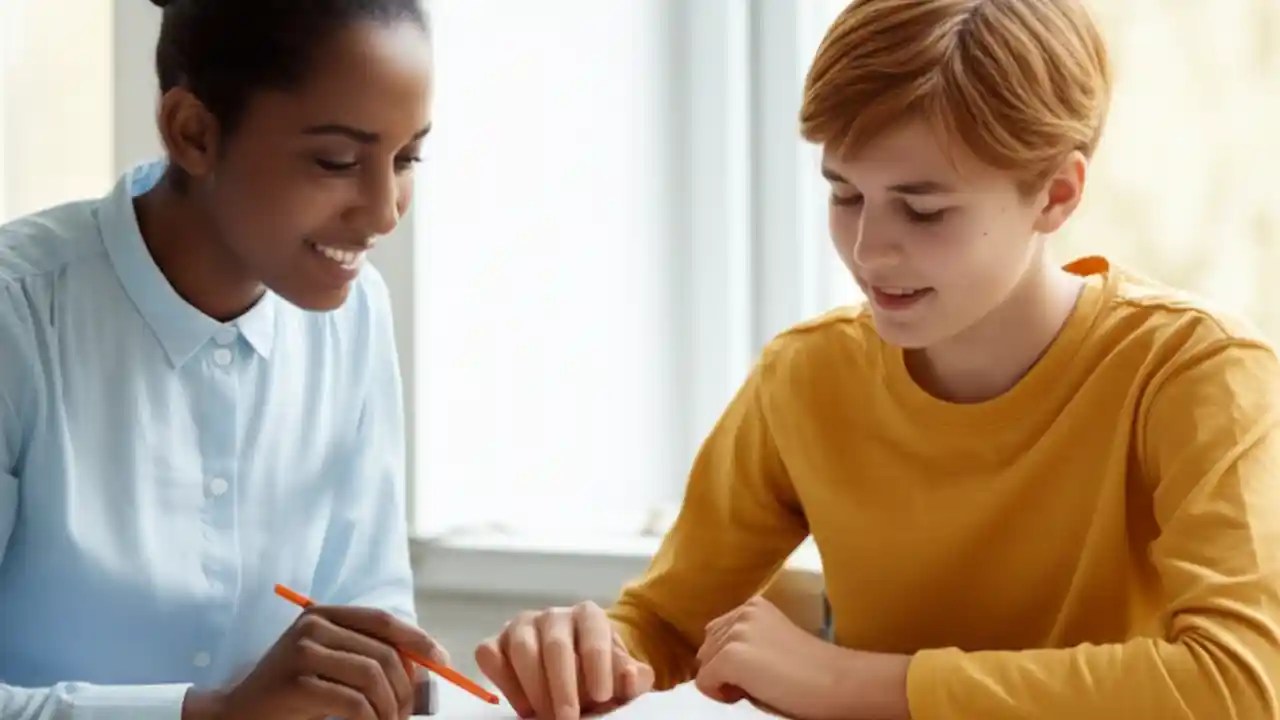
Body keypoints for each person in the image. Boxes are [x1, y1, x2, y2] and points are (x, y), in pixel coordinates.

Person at [474, 0, 1280, 718]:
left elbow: (1242, 685)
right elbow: (663, 625)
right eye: (844, 195)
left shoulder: (1197, 372)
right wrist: (586, 653)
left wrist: (853, 684)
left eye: (923, 210)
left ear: (1057, 194)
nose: (869, 251)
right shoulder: (807, 376)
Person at [0, 1, 447, 718]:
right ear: (194, 132)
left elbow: (367, 613)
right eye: (337, 161)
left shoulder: (357, 316)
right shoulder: (18, 318)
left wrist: (401, 678)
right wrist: (210, 714)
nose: (384, 210)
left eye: (406, 158)